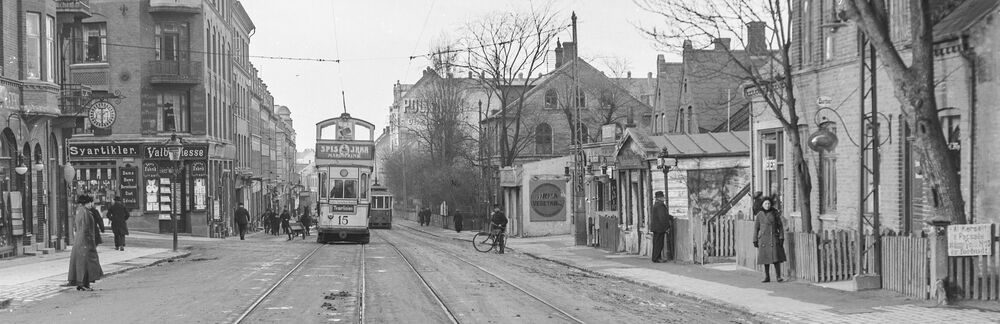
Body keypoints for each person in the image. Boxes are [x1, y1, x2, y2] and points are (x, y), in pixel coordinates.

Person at [68, 195, 103, 291]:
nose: (92, 204)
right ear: (88, 203)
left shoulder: (80, 211)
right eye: (91, 202)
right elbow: (86, 228)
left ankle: (83, 283)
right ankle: (82, 283)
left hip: (80, 240)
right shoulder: (85, 212)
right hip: (85, 241)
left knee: (83, 263)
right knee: (85, 263)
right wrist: (90, 241)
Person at [754, 197, 786, 283]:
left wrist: (781, 237)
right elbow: (756, 228)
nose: (767, 205)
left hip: (773, 238)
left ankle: (778, 276)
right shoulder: (759, 215)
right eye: (765, 204)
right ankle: (767, 277)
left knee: (776, 258)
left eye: (768, 204)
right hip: (763, 239)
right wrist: (755, 239)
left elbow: (780, 226)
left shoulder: (775, 213)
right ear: (762, 205)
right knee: (766, 259)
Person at [650, 191, 673, 263]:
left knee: (657, 243)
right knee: (659, 243)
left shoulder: (657, 205)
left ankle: (656, 257)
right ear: (659, 198)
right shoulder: (660, 205)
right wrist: (667, 227)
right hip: (659, 228)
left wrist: (670, 217)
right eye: (662, 197)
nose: (664, 198)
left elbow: (664, 215)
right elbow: (662, 217)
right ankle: (657, 258)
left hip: (656, 227)